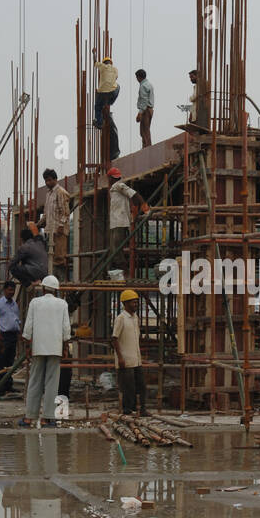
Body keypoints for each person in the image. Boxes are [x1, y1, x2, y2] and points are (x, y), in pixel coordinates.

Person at [19, 275, 72, 428]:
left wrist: (28, 345)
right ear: (56, 291)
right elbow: (66, 328)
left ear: (43, 288)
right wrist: (65, 346)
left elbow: (28, 326)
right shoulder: (62, 304)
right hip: (55, 347)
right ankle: (47, 418)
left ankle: (29, 417)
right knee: (52, 383)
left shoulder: (35, 303)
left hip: (38, 347)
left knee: (35, 381)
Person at [110, 288, 147, 416]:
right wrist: (120, 358)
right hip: (125, 360)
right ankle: (127, 411)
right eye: (133, 302)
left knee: (141, 386)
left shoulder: (135, 318)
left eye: (136, 302)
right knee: (128, 388)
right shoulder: (121, 318)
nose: (135, 304)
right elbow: (114, 338)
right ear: (125, 304)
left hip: (136, 359)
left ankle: (141, 409)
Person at [107, 168, 149, 278]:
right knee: (113, 251)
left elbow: (134, 194)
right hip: (115, 223)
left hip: (120, 223)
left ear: (111, 178)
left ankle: (125, 274)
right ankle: (120, 273)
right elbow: (132, 197)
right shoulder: (114, 188)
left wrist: (144, 206)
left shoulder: (118, 185)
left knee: (116, 251)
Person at [38, 168, 72, 280]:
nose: (47, 183)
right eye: (46, 181)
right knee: (51, 255)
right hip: (50, 230)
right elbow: (46, 213)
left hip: (59, 230)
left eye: (49, 180)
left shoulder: (60, 192)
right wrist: (38, 224)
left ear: (55, 179)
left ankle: (61, 280)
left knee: (59, 257)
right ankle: (53, 276)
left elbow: (65, 212)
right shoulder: (48, 194)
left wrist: (61, 225)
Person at [0, 281, 21, 396]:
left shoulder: (14, 304)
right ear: (4, 290)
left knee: (10, 362)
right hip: (3, 336)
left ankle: (8, 385)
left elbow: (16, 319)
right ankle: (0, 387)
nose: (11, 292)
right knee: (2, 362)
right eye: (9, 290)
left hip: (13, 335)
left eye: (13, 290)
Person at [93, 56, 119, 129]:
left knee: (98, 107)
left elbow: (95, 62)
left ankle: (99, 122)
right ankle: (110, 102)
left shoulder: (102, 66)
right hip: (111, 92)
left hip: (102, 92)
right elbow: (116, 78)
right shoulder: (115, 69)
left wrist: (94, 53)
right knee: (118, 86)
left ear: (104, 62)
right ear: (111, 63)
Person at [135, 69, 154, 147]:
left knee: (144, 131)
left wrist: (140, 112)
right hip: (150, 109)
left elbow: (144, 100)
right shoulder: (149, 84)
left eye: (136, 77)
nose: (136, 79)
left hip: (145, 110)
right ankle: (147, 147)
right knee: (146, 130)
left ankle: (147, 148)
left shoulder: (143, 86)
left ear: (139, 77)